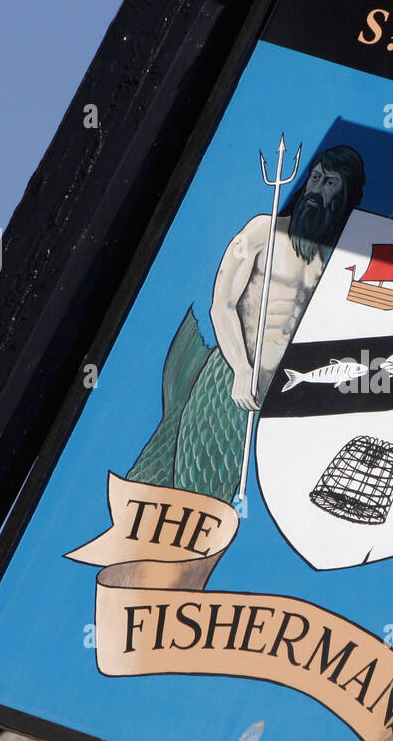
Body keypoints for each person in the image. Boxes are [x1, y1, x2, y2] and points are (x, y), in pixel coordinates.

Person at [128, 146, 366, 503]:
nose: (317, 189)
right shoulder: (263, 231)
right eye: (315, 178)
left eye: (330, 182)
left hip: (281, 390)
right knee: (200, 483)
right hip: (231, 377)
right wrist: (240, 367)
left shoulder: (338, 260)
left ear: (346, 193)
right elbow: (221, 305)